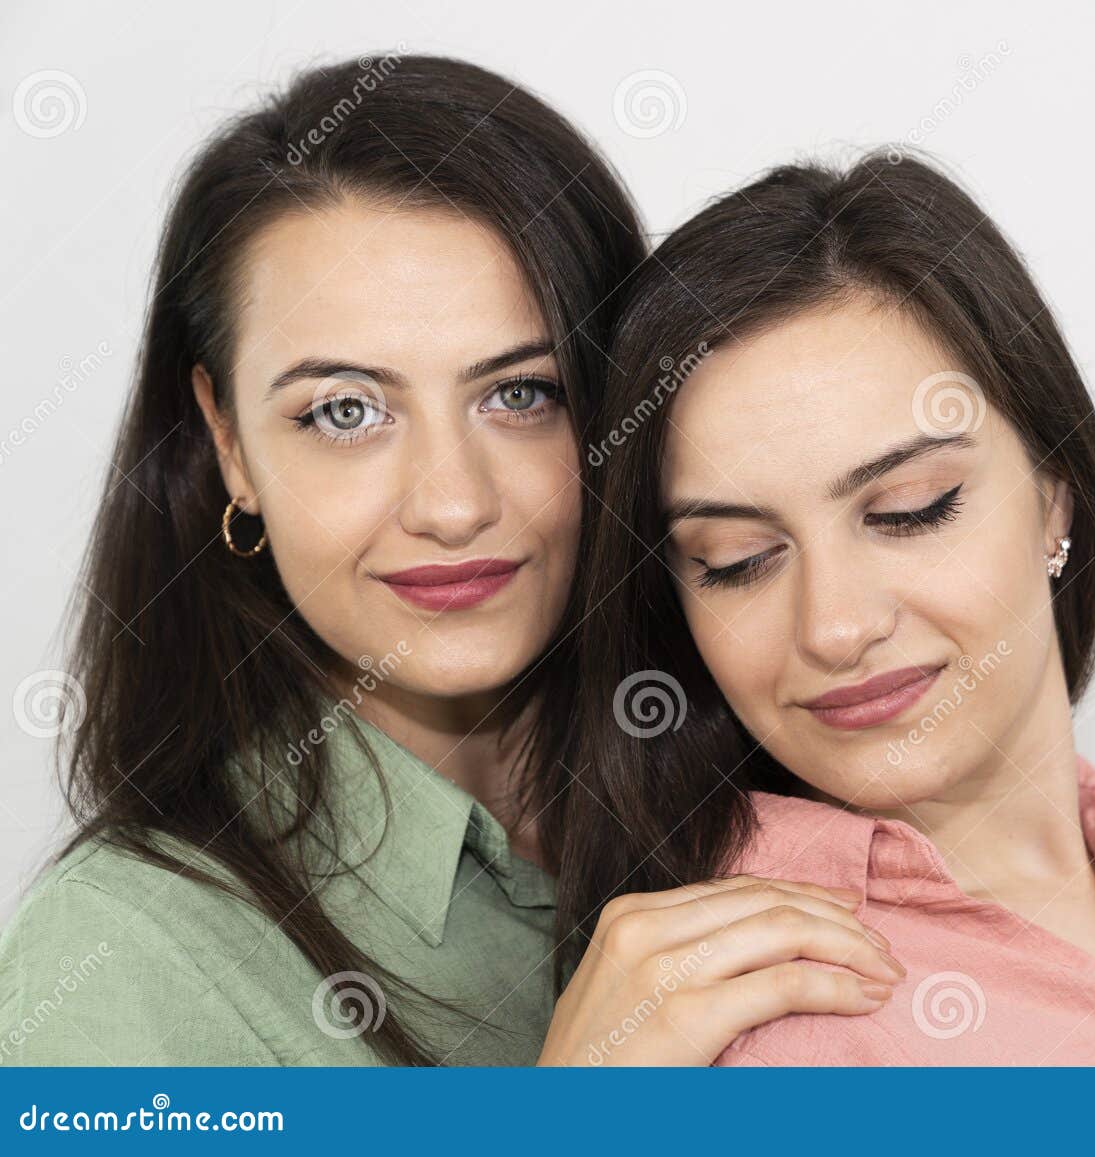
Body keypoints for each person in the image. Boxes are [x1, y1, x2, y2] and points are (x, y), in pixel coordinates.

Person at [0, 55, 905, 1068]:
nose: (453, 502)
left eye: (521, 393)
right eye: (345, 411)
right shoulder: (121, 958)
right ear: (228, 443)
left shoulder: (809, 790)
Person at [555, 151, 1095, 1066]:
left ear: (1054, 494)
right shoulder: (760, 1018)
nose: (835, 626)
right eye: (737, 561)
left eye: (910, 509)